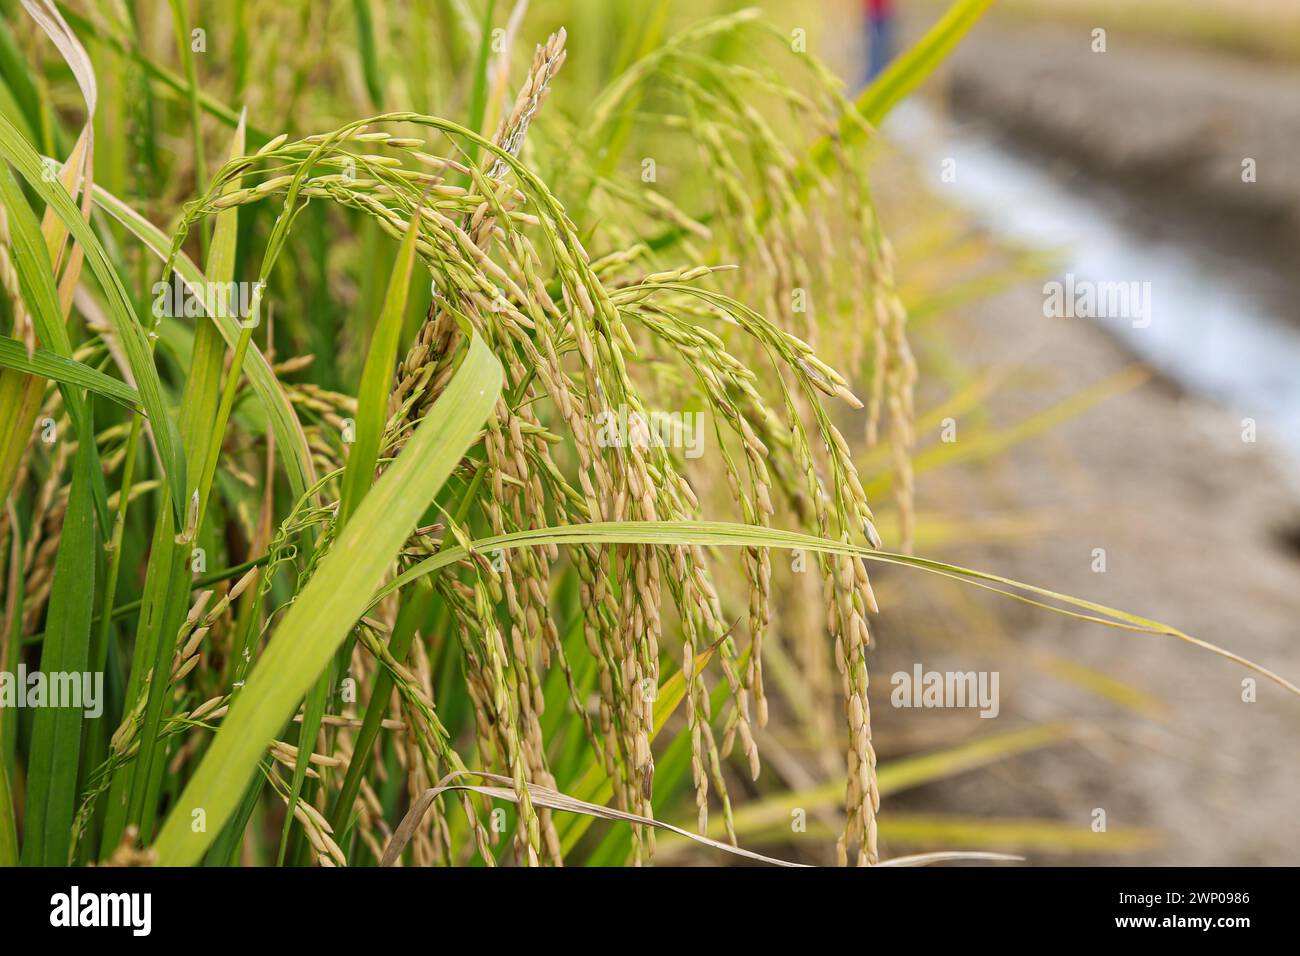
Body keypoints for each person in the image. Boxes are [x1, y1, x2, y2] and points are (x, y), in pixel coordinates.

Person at [865, 0, 896, 82]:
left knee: (882, 54)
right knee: (877, 55)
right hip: (875, 18)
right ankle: (875, 80)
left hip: (882, 17)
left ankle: (878, 79)